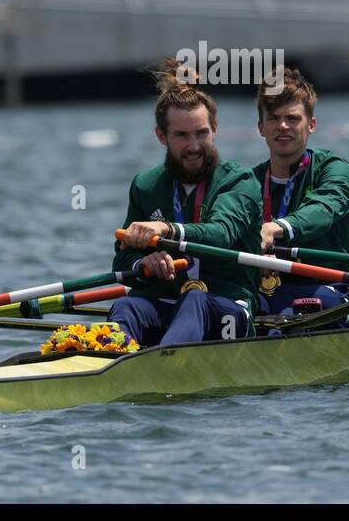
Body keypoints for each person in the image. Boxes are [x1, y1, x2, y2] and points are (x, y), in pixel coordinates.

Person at [110, 59, 262, 346]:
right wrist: (145, 263)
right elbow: (122, 259)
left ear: (215, 129)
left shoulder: (239, 181)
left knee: (195, 299)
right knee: (126, 306)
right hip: (164, 302)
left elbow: (221, 233)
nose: (194, 146)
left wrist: (166, 230)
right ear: (161, 136)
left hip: (225, 306)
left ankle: (162, 366)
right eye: (181, 135)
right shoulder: (146, 184)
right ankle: (104, 362)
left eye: (201, 133)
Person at [253, 68, 349, 316]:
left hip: (332, 287)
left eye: (292, 118)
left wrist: (273, 228)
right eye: (274, 118)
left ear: (311, 124)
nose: (282, 126)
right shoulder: (248, 182)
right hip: (270, 291)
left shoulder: (333, 169)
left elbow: (322, 211)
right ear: (261, 127)